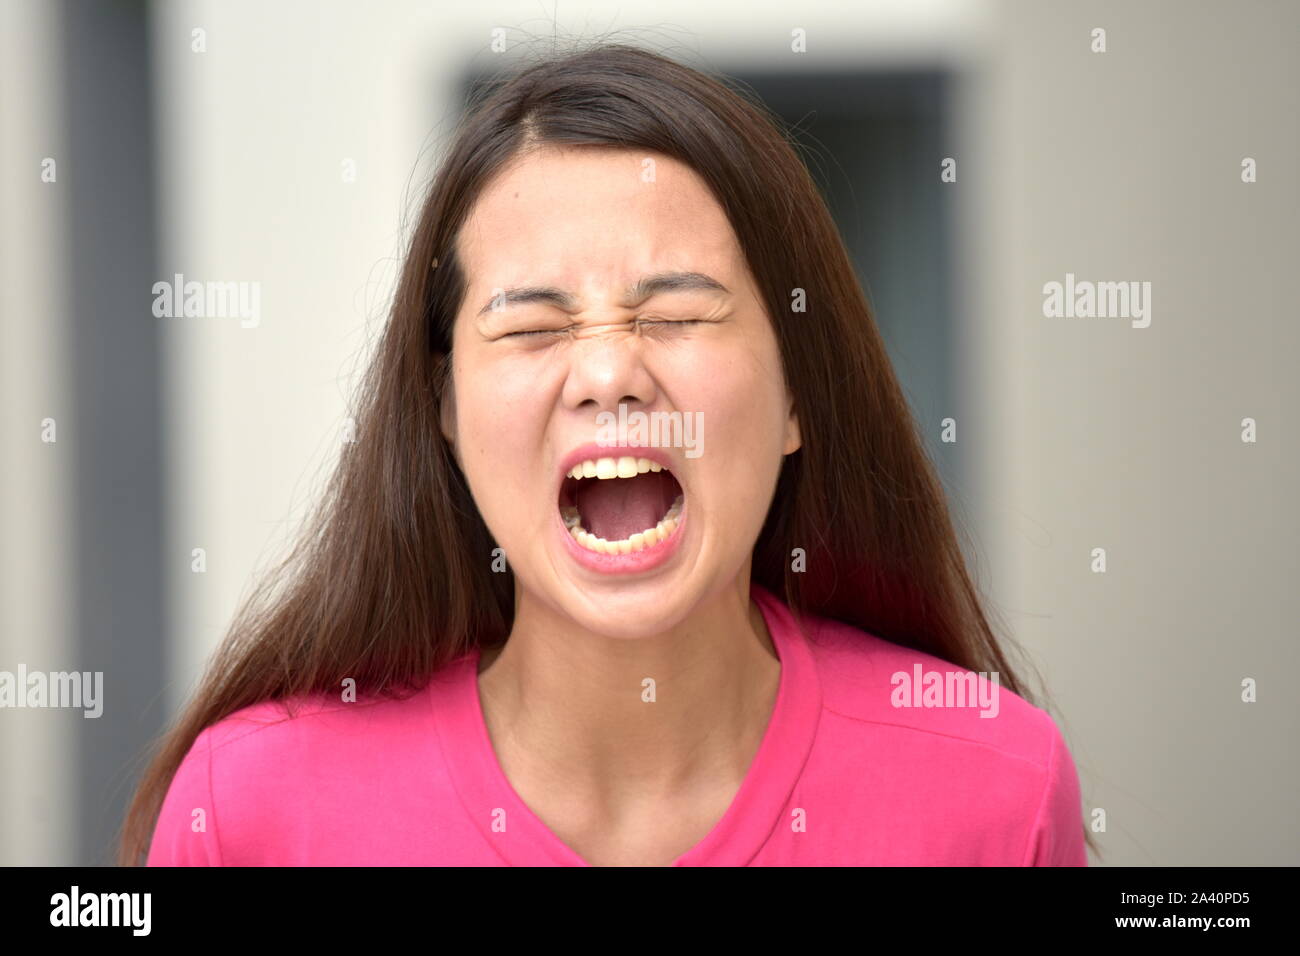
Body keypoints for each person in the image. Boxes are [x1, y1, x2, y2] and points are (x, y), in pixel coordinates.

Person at [122, 42, 1089, 866]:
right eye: (531, 328)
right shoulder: (254, 812)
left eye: (675, 313)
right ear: (444, 412)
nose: (608, 371)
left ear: (800, 390)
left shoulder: (992, 787)